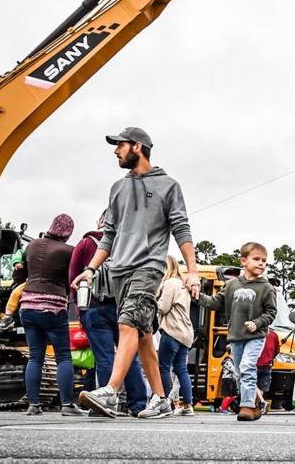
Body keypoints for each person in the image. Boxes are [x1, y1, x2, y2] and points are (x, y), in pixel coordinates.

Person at [75, 127, 202, 420]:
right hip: (118, 270)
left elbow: (181, 229)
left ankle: (110, 392)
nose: (115, 151)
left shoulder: (169, 186)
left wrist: (191, 271)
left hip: (148, 267)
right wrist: (90, 269)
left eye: (119, 145)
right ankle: (160, 399)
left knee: (127, 324)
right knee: (143, 334)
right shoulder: (117, 188)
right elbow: (108, 235)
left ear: (137, 147)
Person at [70, 211, 148, 416]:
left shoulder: (86, 243)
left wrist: (79, 309)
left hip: (94, 307)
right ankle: (137, 404)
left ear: (100, 222)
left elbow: (73, 276)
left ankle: (106, 403)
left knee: (104, 356)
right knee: (128, 356)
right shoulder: (128, 244)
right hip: (123, 306)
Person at [207, 242, 277, 421]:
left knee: (247, 367)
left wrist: (257, 322)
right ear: (243, 261)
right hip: (236, 336)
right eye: (256, 259)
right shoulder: (231, 285)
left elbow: (271, 312)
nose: (261, 263)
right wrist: (196, 296)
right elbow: (215, 303)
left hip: (256, 336)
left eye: (264, 261)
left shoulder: (267, 287)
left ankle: (246, 406)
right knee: (239, 372)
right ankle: (253, 405)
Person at [19, 214, 80, 415]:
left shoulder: (32, 245)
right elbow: (71, 280)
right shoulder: (69, 251)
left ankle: (33, 405)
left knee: (35, 357)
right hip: (53, 307)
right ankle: (67, 405)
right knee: (63, 356)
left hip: (27, 306)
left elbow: (19, 274)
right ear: (68, 232)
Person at [156, 256, 196, 416]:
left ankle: (164, 401)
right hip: (186, 332)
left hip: (172, 330)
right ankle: (187, 405)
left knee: (164, 367)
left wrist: (152, 302)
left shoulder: (169, 283)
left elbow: (164, 307)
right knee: (181, 369)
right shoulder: (183, 284)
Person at [256, 328, 280, 414]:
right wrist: (270, 358)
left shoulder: (255, 332)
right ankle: (257, 407)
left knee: (250, 382)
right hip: (268, 364)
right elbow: (277, 350)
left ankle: (262, 402)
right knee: (261, 387)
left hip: (255, 362)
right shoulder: (274, 334)